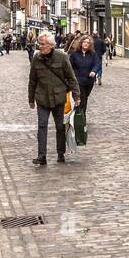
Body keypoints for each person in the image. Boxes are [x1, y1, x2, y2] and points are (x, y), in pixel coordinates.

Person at [27, 31, 80, 165]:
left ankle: (60, 153)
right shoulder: (36, 59)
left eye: (43, 44)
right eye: (39, 43)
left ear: (51, 45)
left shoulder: (61, 57)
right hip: (42, 98)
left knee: (60, 127)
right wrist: (31, 99)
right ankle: (41, 156)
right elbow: (32, 80)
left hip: (58, 97)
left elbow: (71, 78)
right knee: (42, 126)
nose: (40, 46)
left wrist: (76, 96)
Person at [69, 36, 100, 118]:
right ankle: (81, 117)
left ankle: (77, 114)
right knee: (82, 99)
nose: (86, 44)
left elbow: (97, 64)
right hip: (78, 81)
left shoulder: (93, 54)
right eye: (84, 42)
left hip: (89, 81)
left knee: (84, 98)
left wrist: (94, 71)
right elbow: (69, 66)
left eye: (88, 43)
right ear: (81, 43)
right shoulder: (74, 54)